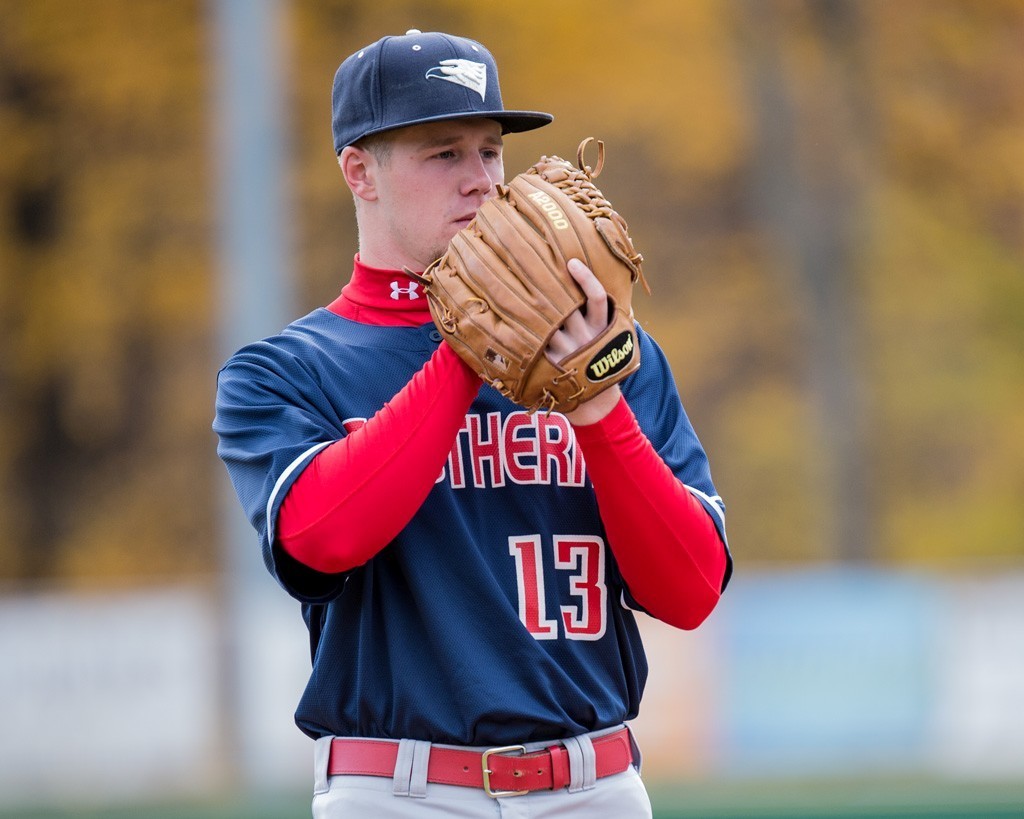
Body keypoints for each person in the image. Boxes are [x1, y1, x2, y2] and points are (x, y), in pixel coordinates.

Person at [214, 29, 732, 818]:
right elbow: (320, 538)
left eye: (491, 151)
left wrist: (595, 404)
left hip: (597, 785)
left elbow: (690, 589)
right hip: (400, 790)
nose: (481, 180)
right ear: (361, 171)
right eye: (442, 153)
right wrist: (470, 344)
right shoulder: (284, 371)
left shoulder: (609, 351)